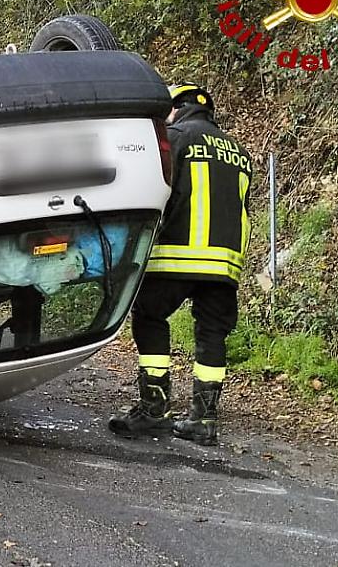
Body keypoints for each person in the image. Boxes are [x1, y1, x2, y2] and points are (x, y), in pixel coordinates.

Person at [109, 83, 252, 446]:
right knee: (211, 334)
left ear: (175, 108)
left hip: (176, 253)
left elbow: (157, 190)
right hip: (225, 264)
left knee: (150, 316)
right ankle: (204, 419)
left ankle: (155, 408)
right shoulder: (239, 151)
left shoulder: (173, 138)